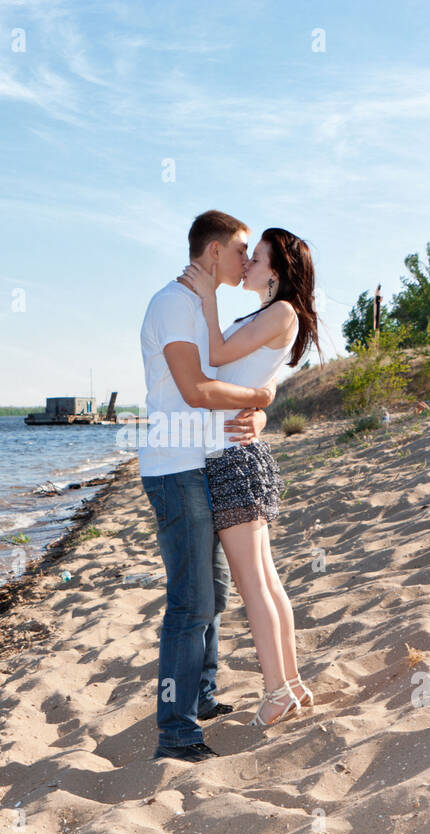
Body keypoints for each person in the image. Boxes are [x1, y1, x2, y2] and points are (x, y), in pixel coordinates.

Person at [138, 210, 276, 762]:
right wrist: (259, 402)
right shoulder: (172, 303)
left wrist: (259, 412)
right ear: (213, 250)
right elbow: (196, 388)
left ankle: (202, 696)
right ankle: (175, 730)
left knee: (213, 596)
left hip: (207, 462)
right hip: (175, 467)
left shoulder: (204, 307)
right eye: (241, 249)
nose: (247, 260)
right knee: (189, 602)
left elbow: (238, 375)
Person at [179, 227, 322, 727]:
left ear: (276, 271)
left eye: (254, 257)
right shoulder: (274, 314)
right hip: (243, 453)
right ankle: (292, 683)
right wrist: (262, 408)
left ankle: (278, 690)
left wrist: (205, 294)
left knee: (254, 585)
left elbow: (216, 356)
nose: (246, 264)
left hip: (233, 459)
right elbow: (253, 381)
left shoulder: (280, 312)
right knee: (265, 581)